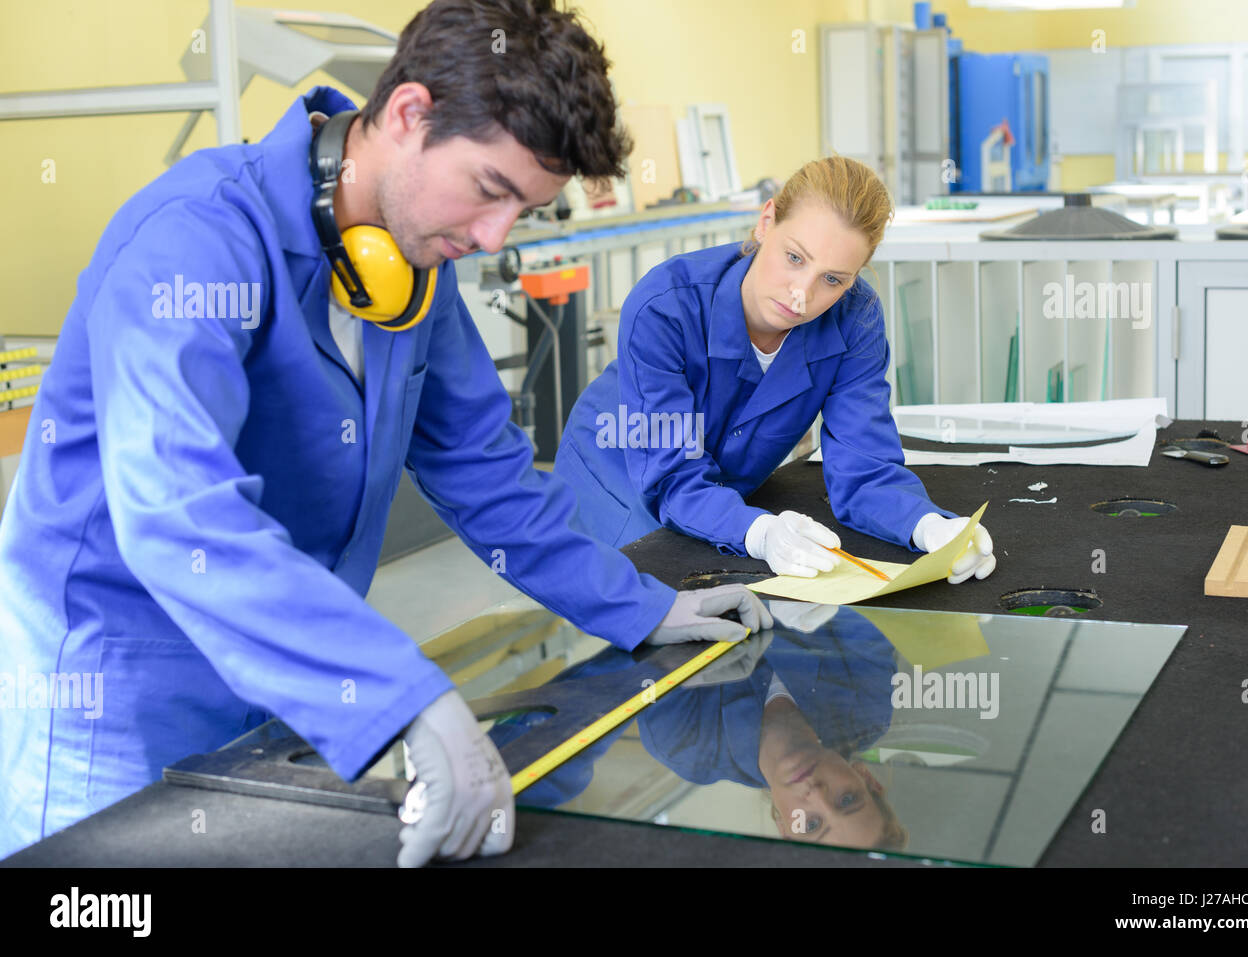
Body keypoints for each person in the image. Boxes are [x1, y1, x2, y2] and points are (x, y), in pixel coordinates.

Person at [0, 0, 769, 867]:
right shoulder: (193, 242)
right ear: (408, 114)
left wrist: (642, 603)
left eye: (521, 211)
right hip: (119, 707)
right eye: (489, 191)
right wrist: (395, 692)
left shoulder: (407, 270)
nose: (490, 239)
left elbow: (491, 478)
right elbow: (180, 515)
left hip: (294, 694)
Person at [553, 156, 996, 581]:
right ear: (766, 222)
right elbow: (670, 476)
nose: (801, 293)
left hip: (725, 497)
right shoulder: (665, 305)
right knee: (642, 611)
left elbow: (864, 468)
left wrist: (929, 527)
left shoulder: (855, 318)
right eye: (795, 257)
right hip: (620, 477)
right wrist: (759, 532)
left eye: (833, 279)